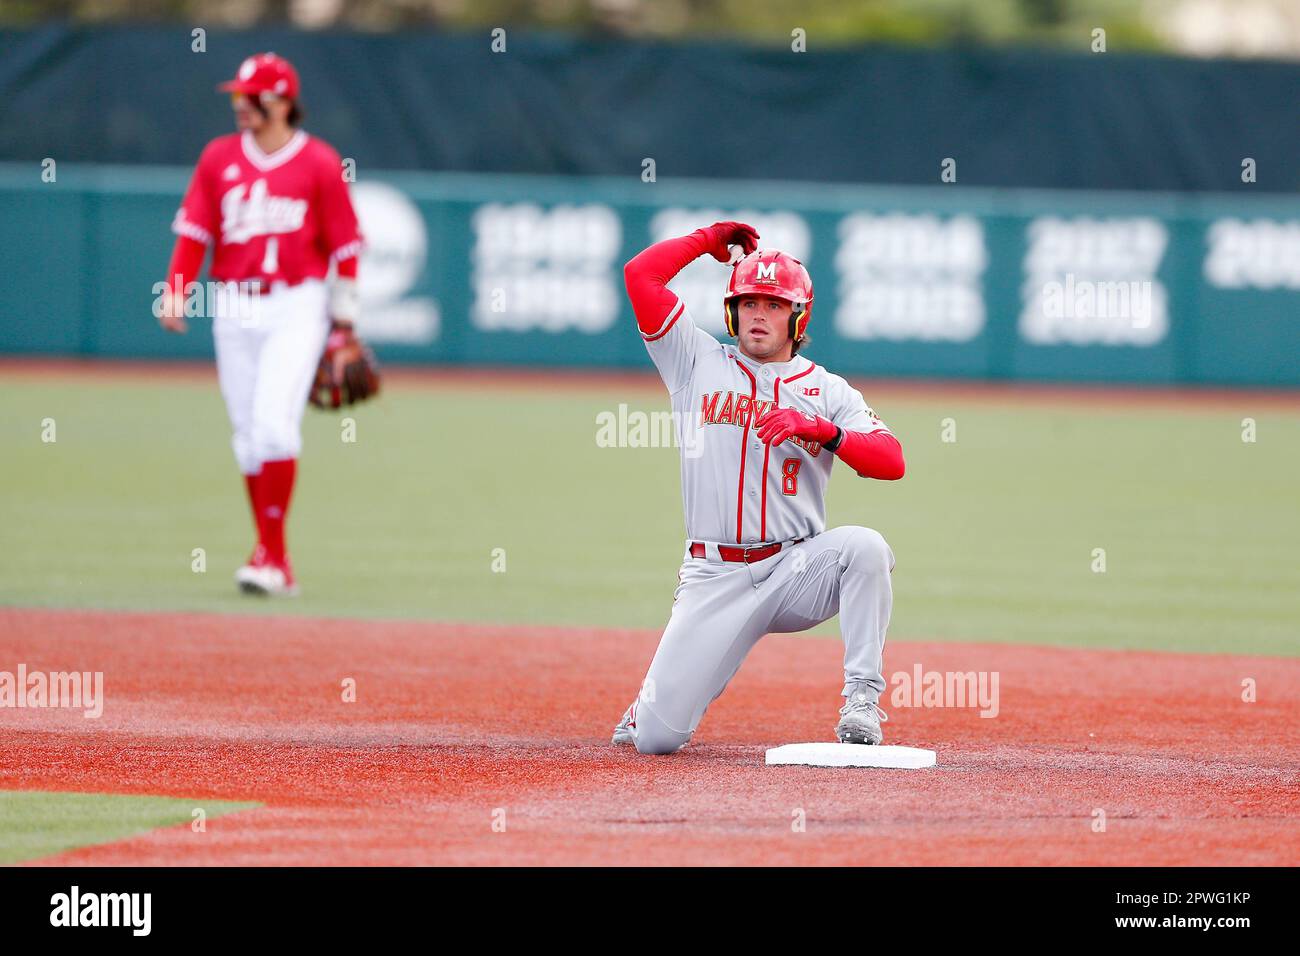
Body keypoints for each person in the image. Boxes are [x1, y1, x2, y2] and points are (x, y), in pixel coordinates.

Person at [612, 221, 906, 753]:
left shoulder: (826, 390)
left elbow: (892, 461)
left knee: (866, 547)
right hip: (714, 575)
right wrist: (706, 241)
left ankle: (862, 699)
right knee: (656, 740)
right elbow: (640, 275)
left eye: (773, 305)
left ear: (798, 316)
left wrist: (822, 430)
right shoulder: (694, 361)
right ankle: (660, 697)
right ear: (732, 311)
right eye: (748, 303)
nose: (759, 315)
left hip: (796, 568)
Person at [158, 53, 365, 596]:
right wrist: (177, 291)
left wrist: (344, 324)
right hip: (234, 304)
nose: (242, 105)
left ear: (284, 102)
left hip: (296, 303)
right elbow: (195, 232)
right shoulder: (218, 158)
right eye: (237, 96)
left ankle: (271, 558)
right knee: (248, 438)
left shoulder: (319, 162)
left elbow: (346, 248)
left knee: (274, 425)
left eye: (253, 96)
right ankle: (273, 555)